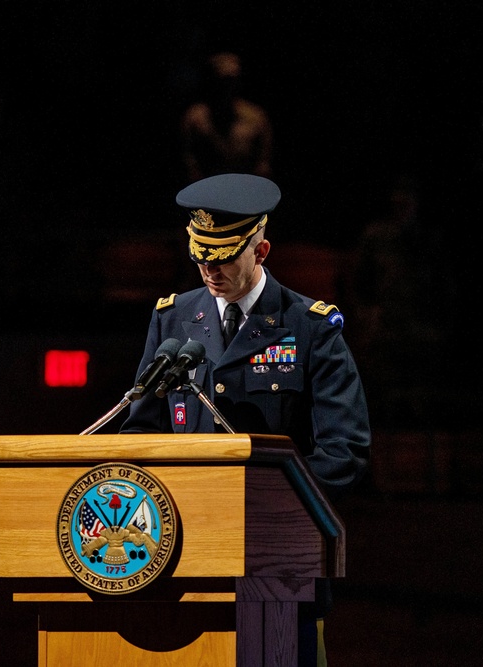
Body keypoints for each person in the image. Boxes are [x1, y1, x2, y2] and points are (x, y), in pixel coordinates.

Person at [121, 173, 370, 665]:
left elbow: (345, 452)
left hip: (277, 567)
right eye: (200, 256)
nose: (210, 270)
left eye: (224, 257)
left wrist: (265, 506)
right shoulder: (172, 320)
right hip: (182, 566)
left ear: (261, 250)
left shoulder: (309, 327)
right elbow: (140, 432)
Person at [180, 52, 274, 182]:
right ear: (212, 80)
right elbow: (188, 160)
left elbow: (263, 163)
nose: (228, 86)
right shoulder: (195, 117)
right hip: (209, 189)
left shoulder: (256, 117)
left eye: (233, 80)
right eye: (223, 80)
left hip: (245, 188)